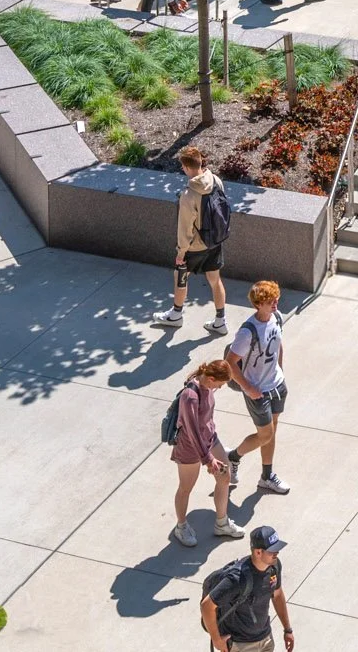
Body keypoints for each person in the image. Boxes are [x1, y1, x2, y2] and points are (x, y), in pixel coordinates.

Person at [225, 280, 291, 497]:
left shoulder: (277, 317)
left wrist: (279, 369)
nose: (275, 303)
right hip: (258, 391)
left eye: (276, 298)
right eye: (269, 300)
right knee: (265, 435)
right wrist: (249, 388)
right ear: (258, 305)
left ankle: (267, 476)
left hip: (276, 385)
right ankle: (234, 456)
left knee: (272, 431)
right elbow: (230, 363)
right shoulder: (247, 332)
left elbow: (278, 342)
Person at [154, 146, 229, 335]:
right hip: (215, 241)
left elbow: (185, 228)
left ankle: (176, 315)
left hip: (195, 246)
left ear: (187, 168)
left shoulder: (188, 195)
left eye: (182, 167)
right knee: (215, 279)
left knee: (180, 277)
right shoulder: (216, 181)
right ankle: (220, 321)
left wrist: (181, 252)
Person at [169, 359, 243, 547]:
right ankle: (181, 526)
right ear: (210, 378)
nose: (220, 387)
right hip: (190, 449)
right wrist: (208, 460)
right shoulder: (190, 397)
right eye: (220, 384)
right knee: (185, 488)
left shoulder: (206, 385)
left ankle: (222, 523)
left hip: (210, 439)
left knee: (224, 477)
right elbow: (192, 432)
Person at [201, 525, 295, 652]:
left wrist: (287, 629)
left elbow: (277, 595)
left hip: (266, 639)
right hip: (241, 645)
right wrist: (217, 640)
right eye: (272, 551)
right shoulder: (237, 579)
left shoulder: (274, 566)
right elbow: (207, 605)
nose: (276, 554)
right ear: (258, 552)